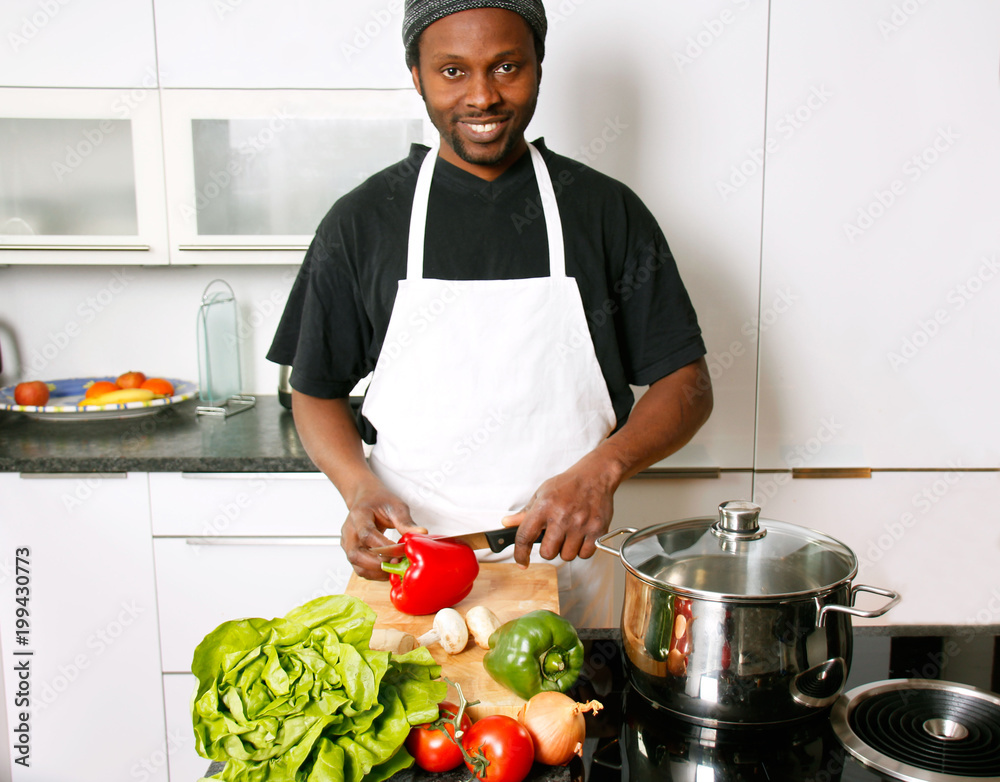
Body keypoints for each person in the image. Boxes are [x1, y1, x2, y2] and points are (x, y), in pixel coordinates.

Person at [267, 0, 713, 627]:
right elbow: (314, 390)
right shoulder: (362, 222)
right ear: (416, 76)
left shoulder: (605, 212)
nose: (482, 96)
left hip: (568, 564)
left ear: (538, 66)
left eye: (507, 67)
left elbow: (687, 385)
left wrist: (603, 471)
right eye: (453, 71)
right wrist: (358, 487)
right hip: (412, 562)